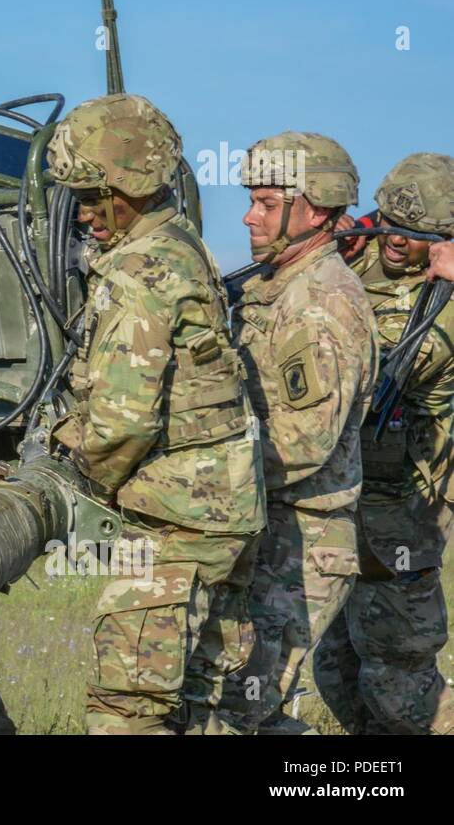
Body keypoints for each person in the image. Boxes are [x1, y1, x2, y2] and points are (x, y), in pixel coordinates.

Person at [47, 93, 266, 734]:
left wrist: (71, 479)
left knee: (129, 708)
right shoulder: (182, 243)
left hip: (175, 521)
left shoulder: (137, 273)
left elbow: (122, 424)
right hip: (224, 511)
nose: (83, 215)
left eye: (92, 197)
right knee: (201, 703)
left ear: (129, 186)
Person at [214, 132, 379, 733]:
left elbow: (306, 441)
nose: (248, 215)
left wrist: (197, 475)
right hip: (274, 528)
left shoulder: (319, 304)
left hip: (301, 541)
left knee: (242, 708)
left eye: (264, 201)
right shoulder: (273, 285)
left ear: (313, 208)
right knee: (241, 706)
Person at [313, 152, 454, 734]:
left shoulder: (442, 305)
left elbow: (370, 375)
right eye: (390, 224)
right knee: (337, 669)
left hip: (401, 515)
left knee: (400, 684)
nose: (397, 243)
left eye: (416, 235)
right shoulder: (363, 256)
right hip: (348, 507)